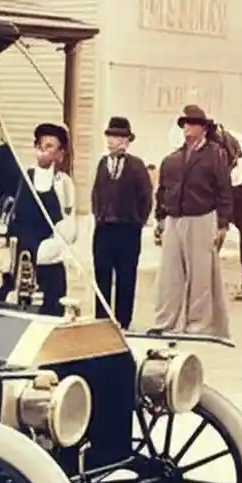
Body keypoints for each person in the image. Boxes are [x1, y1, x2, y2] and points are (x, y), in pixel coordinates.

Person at [152, 104, 233, 338]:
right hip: (175, 217)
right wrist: (160, 218)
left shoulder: (215, 155)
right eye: (185, 124)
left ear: (203, 129)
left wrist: (223, 222)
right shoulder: (173, 158)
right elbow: (163, 190)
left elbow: (224, 190)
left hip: (202, 217)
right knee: (169, 273)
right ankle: (165, 321)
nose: (187, 127)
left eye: (192, 123)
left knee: (200, 275)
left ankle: (198, 324)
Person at [6, 123, 76, 316]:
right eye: (41, 146)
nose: (44, 152)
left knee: (52, 303)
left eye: (50, 147)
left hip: (50, 254)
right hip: (24, 252)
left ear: (60, 153)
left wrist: (53, 247)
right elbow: (14, 213)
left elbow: (69, 224)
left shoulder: (64, 183)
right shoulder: (25, 177)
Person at [90, 116, 152, 329]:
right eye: (109, 136)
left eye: (116, 137)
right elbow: (96, 193)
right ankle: (102, 319)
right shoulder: (102, 163)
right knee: (101, 274)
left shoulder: (136, 166)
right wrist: (98, 216)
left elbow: (146, 197)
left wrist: (137, 221)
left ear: (126, 140)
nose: (111, 141)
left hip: (127, 229)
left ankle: (123, 321)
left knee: (126, 276)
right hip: (104, 229)